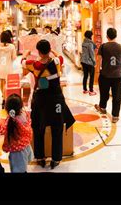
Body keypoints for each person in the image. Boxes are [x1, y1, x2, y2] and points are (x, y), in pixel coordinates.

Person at [22, 40, 75, 169]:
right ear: (49, 49)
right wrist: (52, 51)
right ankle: (56, 159)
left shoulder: (34, 64)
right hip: (56, 99)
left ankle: (40, 157)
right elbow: (59, 57)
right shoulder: (56, 62)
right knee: (57, 128)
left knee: (38, 126)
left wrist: (25, 54)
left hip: (40, 99)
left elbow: (22, 63)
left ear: (39, 51)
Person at [0, 94, 33, 173]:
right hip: (26, 147)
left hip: (17, 153)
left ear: (7, 108)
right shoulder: (25, 115)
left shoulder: (12, 121)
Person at [94, 28, 121, 123]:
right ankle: (115, 116)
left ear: (107, 36)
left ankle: (103, 108)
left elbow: (98, 60)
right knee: (117, 96)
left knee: (104, 93)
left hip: (105, 75)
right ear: (116, 35)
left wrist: (97, 73)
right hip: (118, 76)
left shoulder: (103, 46)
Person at [0, 31, 17, 108]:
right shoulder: (12, 47)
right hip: (8, 67)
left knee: (1, 82)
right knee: (7, 83)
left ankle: (3, 97)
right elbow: (14, 57)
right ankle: (6, 97)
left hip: (0, 67)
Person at [80, 30, 97, 96]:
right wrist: (94, 62)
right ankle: (91, 90)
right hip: (89, 62)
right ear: (90, 36)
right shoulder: (90, 44)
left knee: (85, 75)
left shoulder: (83, 42)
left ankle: (85, 89)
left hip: (83, 61)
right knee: (92, 76)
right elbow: (92, 54)